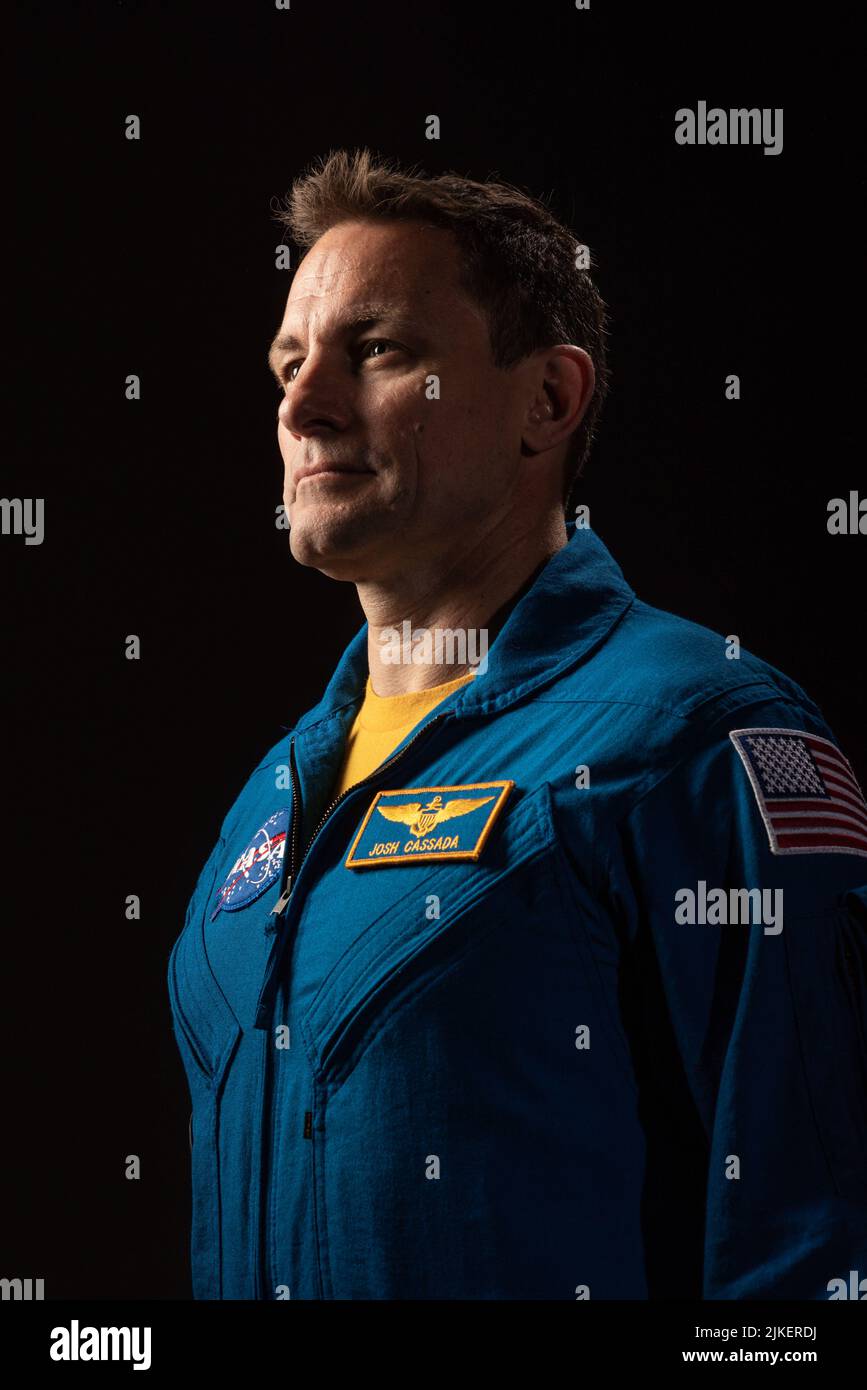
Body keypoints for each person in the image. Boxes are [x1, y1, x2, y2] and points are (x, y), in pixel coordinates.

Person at [168, 148, 867, 1300]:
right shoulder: (271, 801)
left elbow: (812, 1253)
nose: (300, 404)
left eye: (377, 351)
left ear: (548, 398)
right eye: (288, 363)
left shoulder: (701, 737)